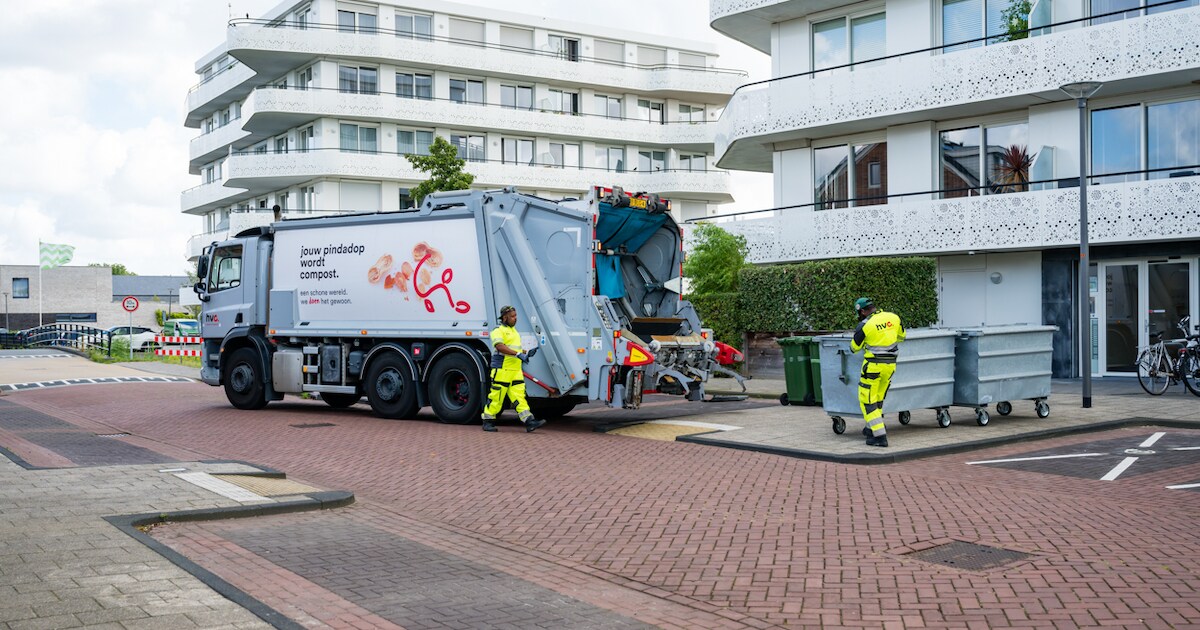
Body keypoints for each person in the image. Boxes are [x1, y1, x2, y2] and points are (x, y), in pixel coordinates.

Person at [481, 305, 546, 433]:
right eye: (512, 316)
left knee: (519, 396)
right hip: (502, 370)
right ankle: (488, 421)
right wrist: (518, 354)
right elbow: (500, 346)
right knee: (497, 397)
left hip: (515, 371)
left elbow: (514, 349)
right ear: (505, 317)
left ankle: (529, 421)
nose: (515, 318)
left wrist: (525, 352)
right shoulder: (498, 330)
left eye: (516, 316)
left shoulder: (514, 331)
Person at [851, 297, 905, 447]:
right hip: (890, 367)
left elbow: (854, 348)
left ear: (862, 311)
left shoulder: (864, 325)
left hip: (873, 368)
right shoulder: (894, 318)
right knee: (878, 399)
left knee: (867, 401)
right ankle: (871, 428)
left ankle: (880, 436)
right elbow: (901, 337)